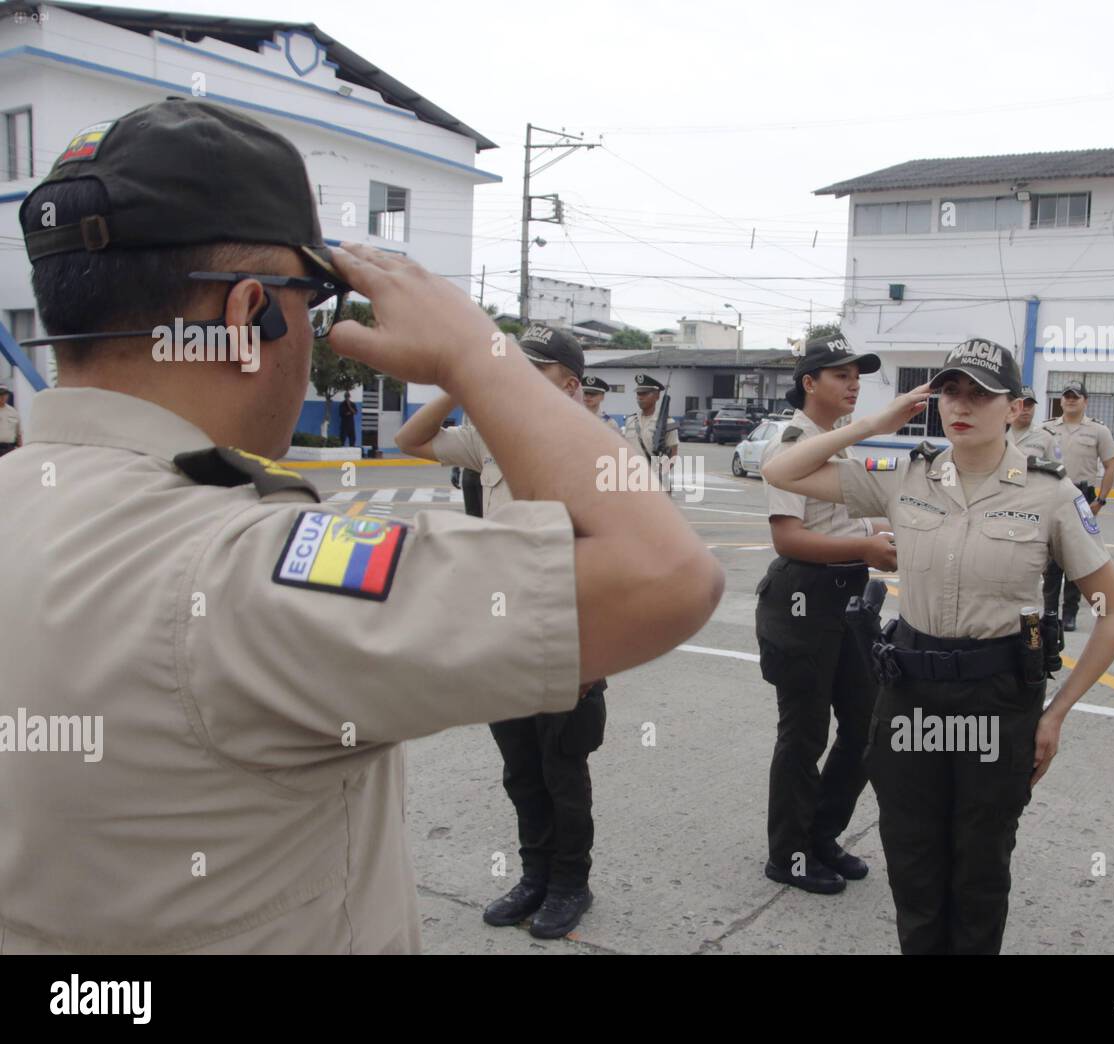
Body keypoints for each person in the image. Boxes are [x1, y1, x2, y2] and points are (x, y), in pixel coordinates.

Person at [1, 98, 723, 954]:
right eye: (309, 310)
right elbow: (664, 576)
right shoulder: (239, 566)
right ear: (245, 319)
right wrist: (473, 348)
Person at [764, 338, 1114, 954]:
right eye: (951, 391)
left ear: (1014, 406)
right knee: (912, 859)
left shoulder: (1051, 495)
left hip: (996, 699)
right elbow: (782, 471)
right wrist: (878, 421)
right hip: (910, 692)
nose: (961, 405)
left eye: (980, 394)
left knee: (980, 866)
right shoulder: (906, 476)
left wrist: (1057, 713)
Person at [394, 321, 611, 940]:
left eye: (533, 367)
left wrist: (594, 651)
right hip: (502, 630)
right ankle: (534, 875)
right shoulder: (491, 436)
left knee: (563, 768)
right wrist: (460, 379)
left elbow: (613, 558)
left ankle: (572, 883)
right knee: (520, 768)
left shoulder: (595, 449)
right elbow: (411, 438)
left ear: (570, 384)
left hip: (565, 634)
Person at [756, 332, 896, 895]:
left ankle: (820, 835)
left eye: (857, 374)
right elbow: (789, 538)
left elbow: (837, 520)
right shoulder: (793, 443)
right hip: (803, 599)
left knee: (866, 726)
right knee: (805, 734)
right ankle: (788, 853)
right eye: (841, 374)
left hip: (847, 601)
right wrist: (864, 548)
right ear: (809, 383)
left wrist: (876, 532)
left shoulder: (834, 440)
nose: (853, 383)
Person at [1040, 381, 1114, 631]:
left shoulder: (1098, 431)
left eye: (1076, 396)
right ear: (1061, 401)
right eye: (1066, 396)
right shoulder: (1047, 429)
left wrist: (1101, 499)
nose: (1070, 400)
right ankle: (1050, 610)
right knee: (1051, 560)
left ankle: (1070, 612)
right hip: (1052, 495)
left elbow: (1111, 464)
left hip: (1082, 497)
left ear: (1085, 400)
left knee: (1077, 556)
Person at [623, 373, 678, 489]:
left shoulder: (668, 423)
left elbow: (673, 455)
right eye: (638, 394)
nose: (640, 397)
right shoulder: (630, 421)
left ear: (657, 396)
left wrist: (660, 474)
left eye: (644, 394)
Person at [1007, 386, 1056, 460]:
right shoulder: (999, 434)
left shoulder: (1046, 437)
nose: (1026, 409)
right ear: (1013, 406)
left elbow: (1057, 466)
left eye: (1029, 405)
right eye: (1022, 404)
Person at [0, 382, 21, 456]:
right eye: (0, 394)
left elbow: (18, 433)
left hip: (10, 449)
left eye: (5, 394)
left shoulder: (13, 412)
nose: (2, 396)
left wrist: (20, 448)